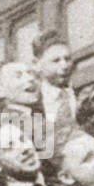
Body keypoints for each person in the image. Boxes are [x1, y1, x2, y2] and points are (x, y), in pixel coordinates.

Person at [31, 30, 78, 167]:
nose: (64, 66)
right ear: (37, 64)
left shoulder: (79, 95)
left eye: (67, 59)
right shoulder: (32, 102)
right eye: (56, 61)